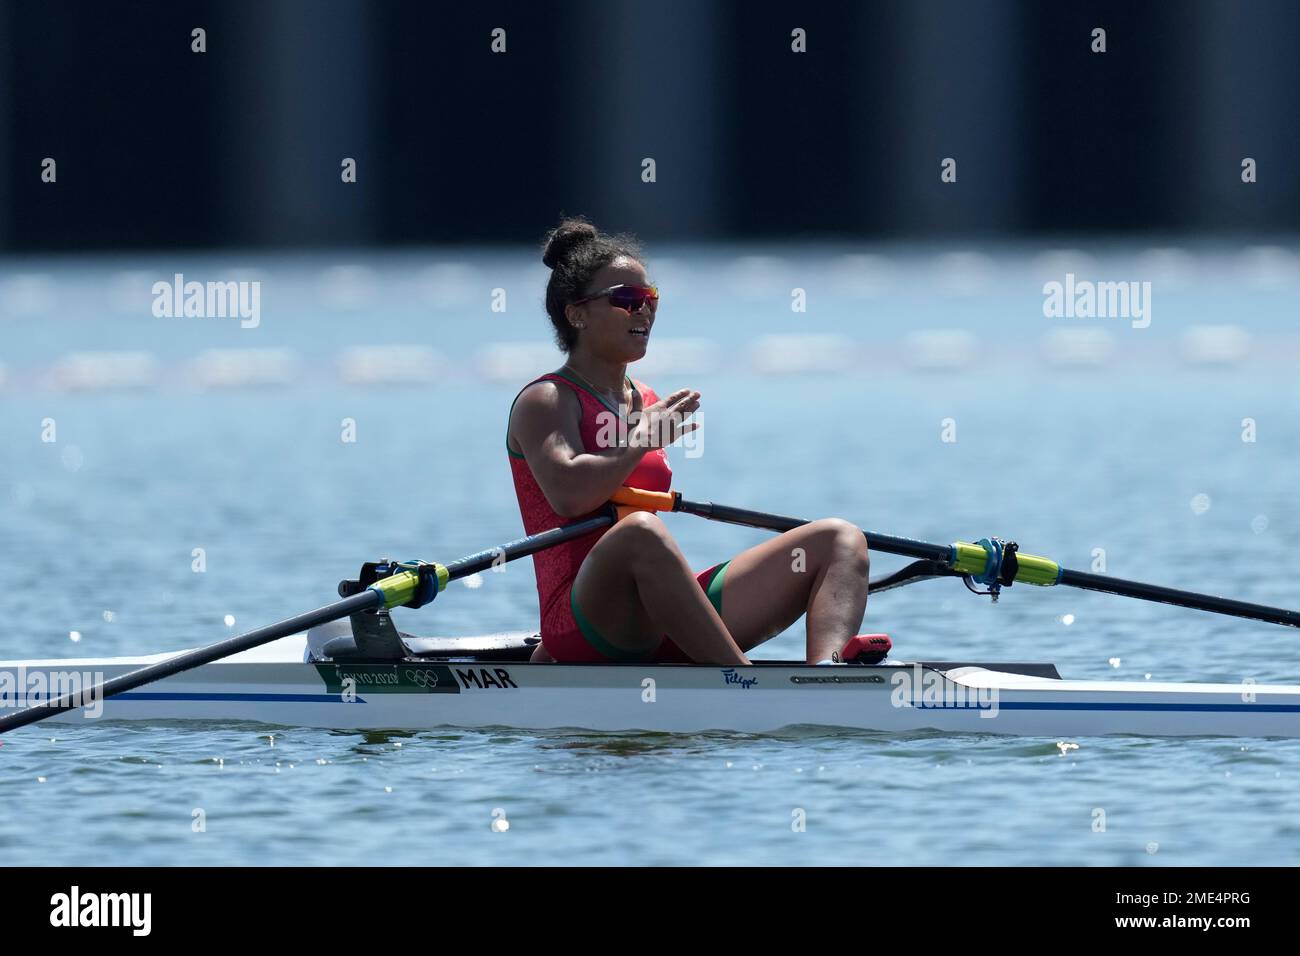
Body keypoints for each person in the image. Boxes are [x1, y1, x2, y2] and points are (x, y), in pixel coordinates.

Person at [506, 217, 870, 665]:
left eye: (650, 298)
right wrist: (640, 439)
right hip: (586, 624)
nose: (644, 310)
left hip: (658, 617)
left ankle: (830, 678)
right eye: (626, 299)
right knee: (639, 531)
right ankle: (744, 683)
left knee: (839, 538)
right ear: (576, 313)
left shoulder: (648, 399)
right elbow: (569, 495)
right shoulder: (546, 399)